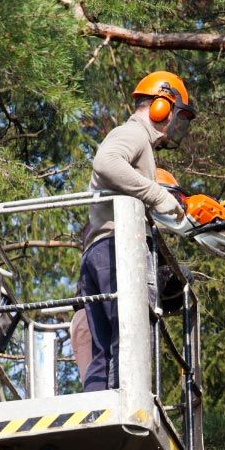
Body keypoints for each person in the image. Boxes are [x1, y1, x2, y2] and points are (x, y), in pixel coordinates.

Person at [79, 71, 196, 392]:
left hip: (100, 251)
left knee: (105, 349)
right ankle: (128, 403)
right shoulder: (133, 134)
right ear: (161, 106)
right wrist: (158, 195)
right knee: (131, 338)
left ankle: (97, 413)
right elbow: (106, 163)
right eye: (177, 115)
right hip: (118, 250)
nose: (176, 125)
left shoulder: (137, 141)